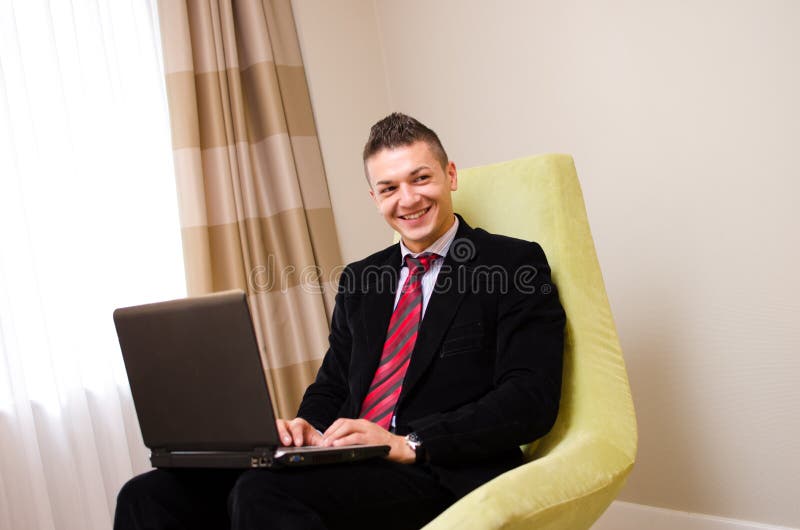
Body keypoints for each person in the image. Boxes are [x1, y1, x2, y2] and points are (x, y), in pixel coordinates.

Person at [114, 113, 565, 530]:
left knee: (263, 494)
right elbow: (333, 383)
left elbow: (530, 398)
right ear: (374, 198)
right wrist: (304, 429)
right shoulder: (362, 279)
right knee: (148, 495)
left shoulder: (512, 264)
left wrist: (409, 441)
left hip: (438, 470)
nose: (407, 199)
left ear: (449, 175)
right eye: (388, 188)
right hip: (347, 459)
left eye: (420, 178)